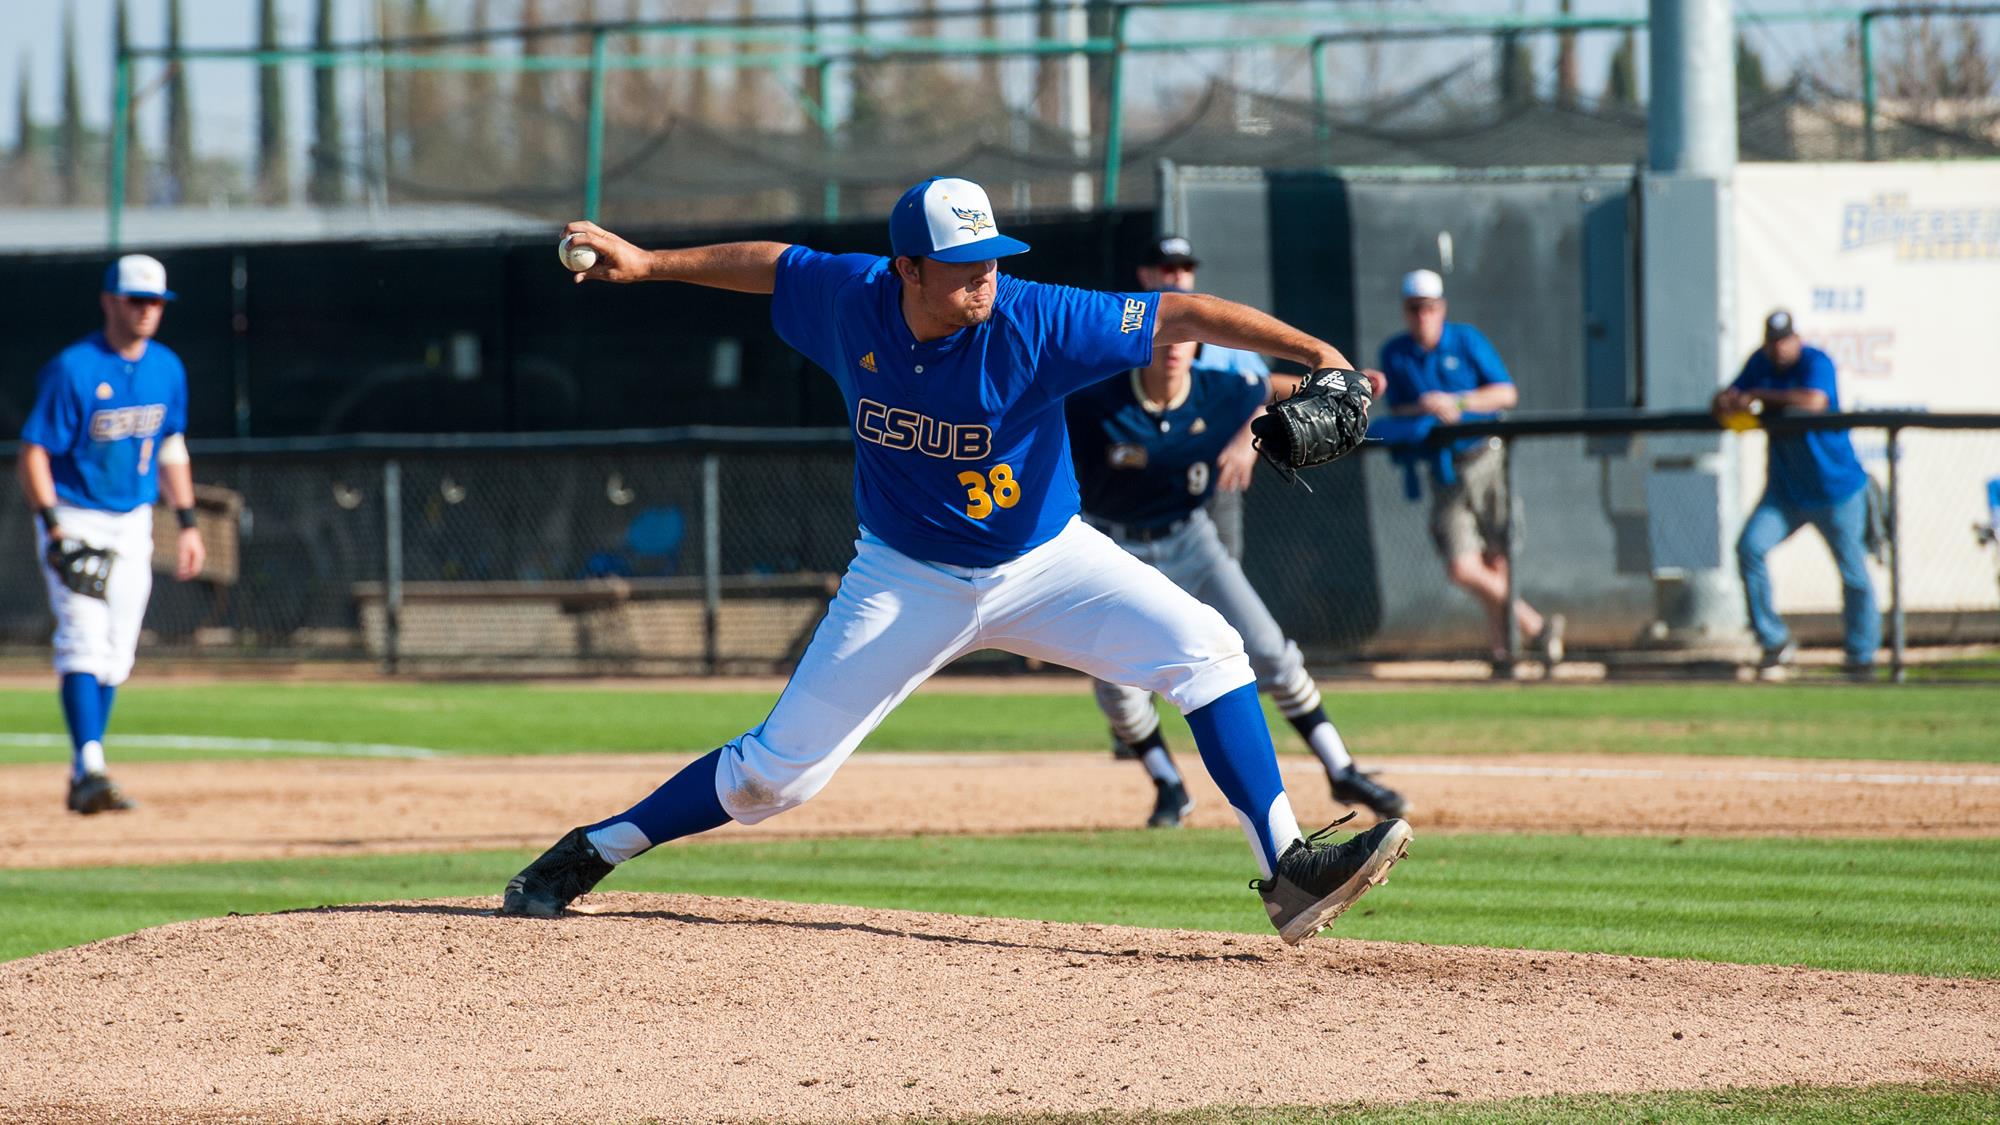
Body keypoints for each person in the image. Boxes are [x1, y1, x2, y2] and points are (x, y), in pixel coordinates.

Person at [502, 176, 1411, 944]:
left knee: (1208, 647)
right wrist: (652, 263)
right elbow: (774, 264)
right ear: (908, 266)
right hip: (905, 575)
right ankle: (596, 848)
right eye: (962, 263)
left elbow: (1183, 312)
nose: (984, 275)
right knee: (773, 776)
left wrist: (1320, 354)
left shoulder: (1038, 316)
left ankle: (1287, 871)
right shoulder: (851, 297)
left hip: (1048, 562)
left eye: (991, 257)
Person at [1066, 336, 1410, 829]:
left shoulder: (1215, 388)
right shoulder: (1099, 397)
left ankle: (1342, 769)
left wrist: (1344, 389)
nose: (1173, 348)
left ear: (1196, 350)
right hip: (1116, 548)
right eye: (1163, 337)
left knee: (1270, 650)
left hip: (1192, 541)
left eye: (1184, 339)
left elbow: (1269, 387)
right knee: (1117, 687)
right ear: (1143, 345)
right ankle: (1168, 783)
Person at [16, 254, 205, 814]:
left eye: (156, 303)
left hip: (134, 523)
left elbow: (170, 446)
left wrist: (188, 521)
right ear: (109, 301)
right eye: (136, 300)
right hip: (75, 517)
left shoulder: (167, 368)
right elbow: (33, 453)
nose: (147, 311)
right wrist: (52, 527)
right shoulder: (72, 369)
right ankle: (91, 766)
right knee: (82, 637)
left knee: (117, 653)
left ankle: (84, 775)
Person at [1370, 268, 1562, 672]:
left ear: (1442, 308)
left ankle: (1503, 655)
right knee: (1462, 566)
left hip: (1487, 457)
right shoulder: (1396, 353)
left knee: (1497, 560)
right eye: (1414, 309)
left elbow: (1505, 392)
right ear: (1405, 312)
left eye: (1429, 308)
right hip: (1444, 468)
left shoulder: (1466, 340)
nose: (1422, 316)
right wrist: (1425, 406)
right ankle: (1536, 626)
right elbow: (1397, 409)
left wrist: (1456, 403)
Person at [1714, 310, 1878, 679]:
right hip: (1786, 492)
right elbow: (1730, 397)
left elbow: (1814, 401)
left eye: (1784, 339)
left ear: (1796, 338)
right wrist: (1727, 400)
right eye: (1773, 341)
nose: (1779, 348)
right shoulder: (1760, 362)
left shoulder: (1815, 361)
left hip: (1836, 490)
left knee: (1854, 574)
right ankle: (1775, 643)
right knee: (1750, 548)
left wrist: (1757, 395)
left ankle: (1861, 655)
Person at [1135, 236, 1267, 561]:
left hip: (1212, 479)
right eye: (1168, 267)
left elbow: (1267, 392)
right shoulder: (1128, 329)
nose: (1178, 275)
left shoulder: (1218, 335)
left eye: (1186, 267)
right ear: (1145, 275)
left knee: (1223, 587)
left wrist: (1249, 436)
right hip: (1147, 485)